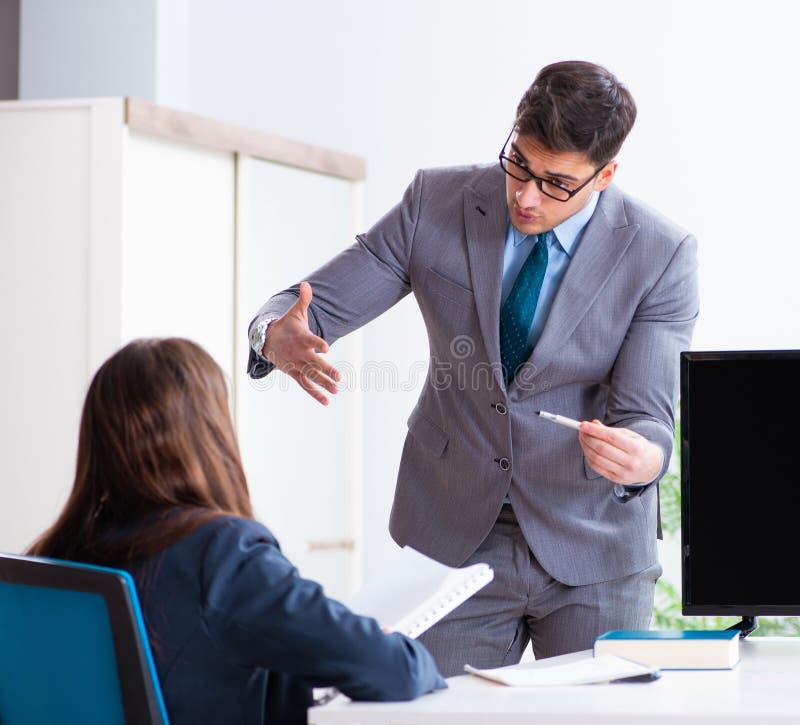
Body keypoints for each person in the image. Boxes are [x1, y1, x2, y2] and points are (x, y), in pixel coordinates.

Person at [247, 60, 699, 676]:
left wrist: (644, 459)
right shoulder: (438, 200)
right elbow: (308, 305)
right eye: (519, 164)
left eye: (558, 183)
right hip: (452, 533)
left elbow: (648, 418)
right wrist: (273, 334)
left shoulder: (660, 252)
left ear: (606, 174)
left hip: (593, 546)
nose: (527, 196)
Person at [28, 337, 445, 725]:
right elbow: (395, 671)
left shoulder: (55, 555)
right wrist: (383, 643)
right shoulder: (222, 554)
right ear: (208, 435)